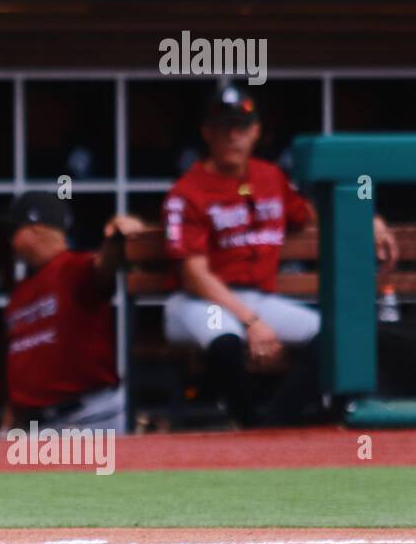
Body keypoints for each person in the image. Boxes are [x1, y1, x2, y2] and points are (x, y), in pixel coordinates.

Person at [163, 85, 397, 426]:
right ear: (207, 133)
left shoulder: (270, 177)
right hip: (200, 302)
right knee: (226, 342)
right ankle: (246, 422)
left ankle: (274, 426)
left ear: (255, 131)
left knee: (336, 339)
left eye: (240, 127)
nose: (232, 136)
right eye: (223, 127)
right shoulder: (187, 191)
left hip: (258, 297)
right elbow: (194, 275)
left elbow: (313, 213)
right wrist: (251, 322)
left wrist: (368, 220)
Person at [0, 192, 143, 435]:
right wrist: (5, 430)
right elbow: (19, 371)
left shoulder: (73, 267)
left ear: (37, 229)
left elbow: (105, 266)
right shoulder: (19, 293)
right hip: (37, 424)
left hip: (90, 416)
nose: (9, 240)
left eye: (15, 230)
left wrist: (119, 235)